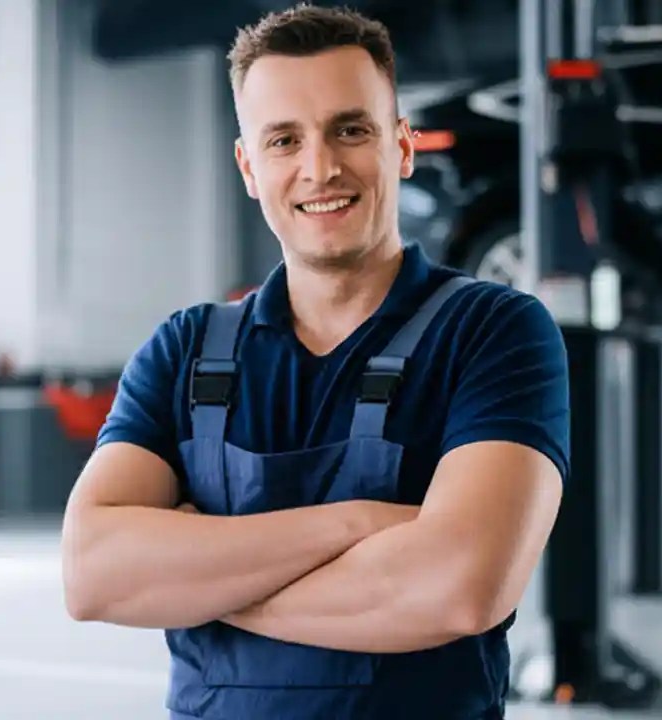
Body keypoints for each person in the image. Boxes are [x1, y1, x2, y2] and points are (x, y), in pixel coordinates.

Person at [60, 5, 569, 718]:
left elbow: (460, 588)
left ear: (401, 147)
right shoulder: (183, 350)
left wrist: (201, 581)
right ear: (248, 166)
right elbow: (93, 575)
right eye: (283, 140)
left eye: (350, 130)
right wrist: (356, 526)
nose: (319, 167)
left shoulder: (494, 332)